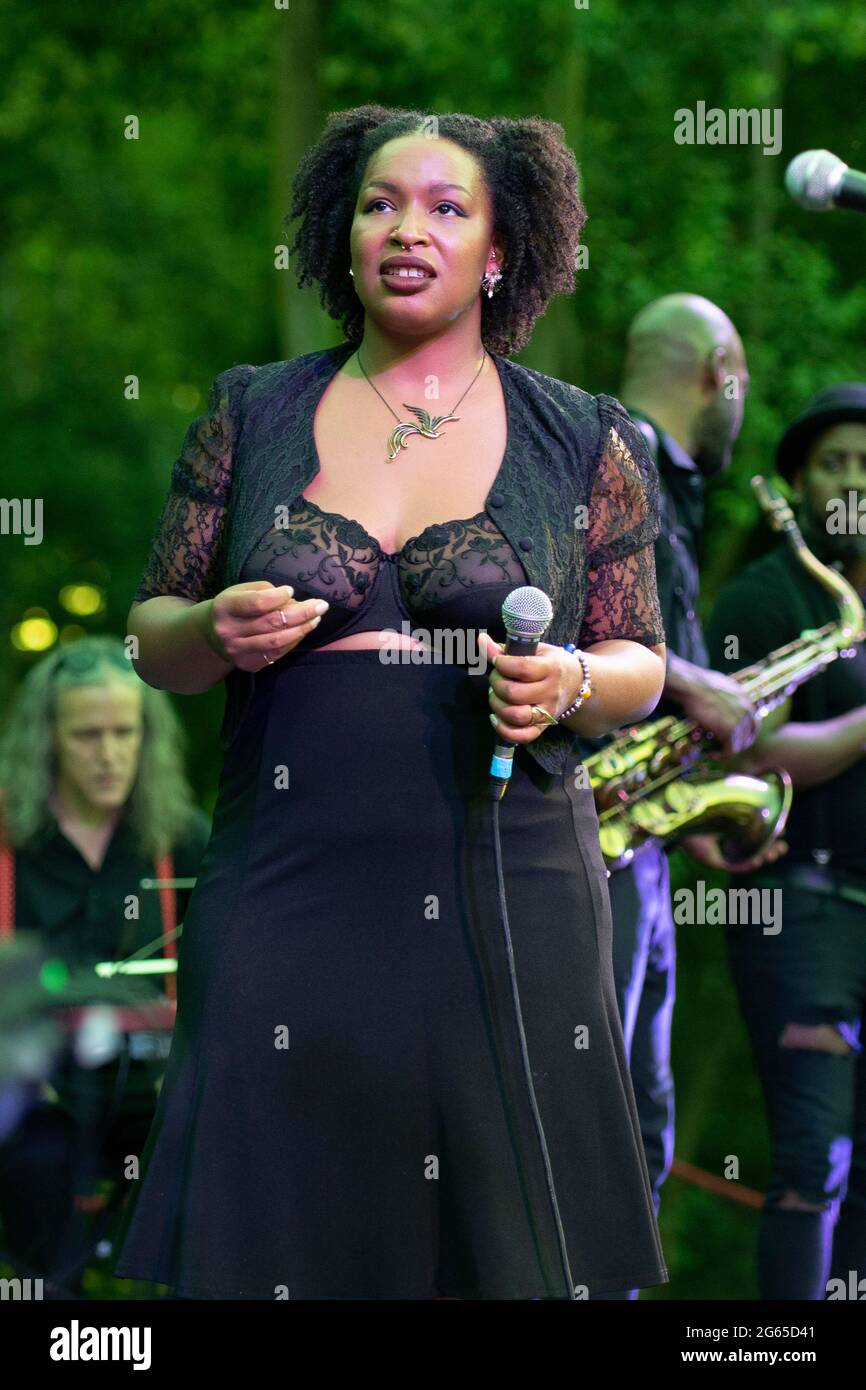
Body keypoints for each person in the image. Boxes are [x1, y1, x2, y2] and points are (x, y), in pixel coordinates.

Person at [113, 105, 669, 1302]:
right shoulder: (250, 407)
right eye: (377, 203)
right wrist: (210, 629)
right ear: (339, 234)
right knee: (276, 1226)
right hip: (287, 869)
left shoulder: (585, 439)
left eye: (443, 207)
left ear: (501, 250)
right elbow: (151, 634)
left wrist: (570, 678)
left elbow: (642, 663)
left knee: (502, 1243)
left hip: (506, 868)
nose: (404, 228)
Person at [577, 294, 768, 1299]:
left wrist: (690, 812)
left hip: (634, 842)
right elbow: (551, 628)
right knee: (597, 1110)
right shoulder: (610, 455)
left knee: (637, 1112)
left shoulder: (664, 481)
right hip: (579, 844)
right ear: (719, 369)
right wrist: (694, 683)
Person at [706, 384, 866, 1300]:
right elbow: (749, 753)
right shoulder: (764, 600)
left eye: (864, 465)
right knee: (815, 1159)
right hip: (803, 907)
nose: (849, 481)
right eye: (831, 463)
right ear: (801, 483)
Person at [0, 636, 210, 1295]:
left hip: (152, 1093)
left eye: (125, 732)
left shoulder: (184, 839)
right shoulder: (7, 837)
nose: (110, 754)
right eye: (86, 735)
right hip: (28, 1093)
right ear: (48, 740)